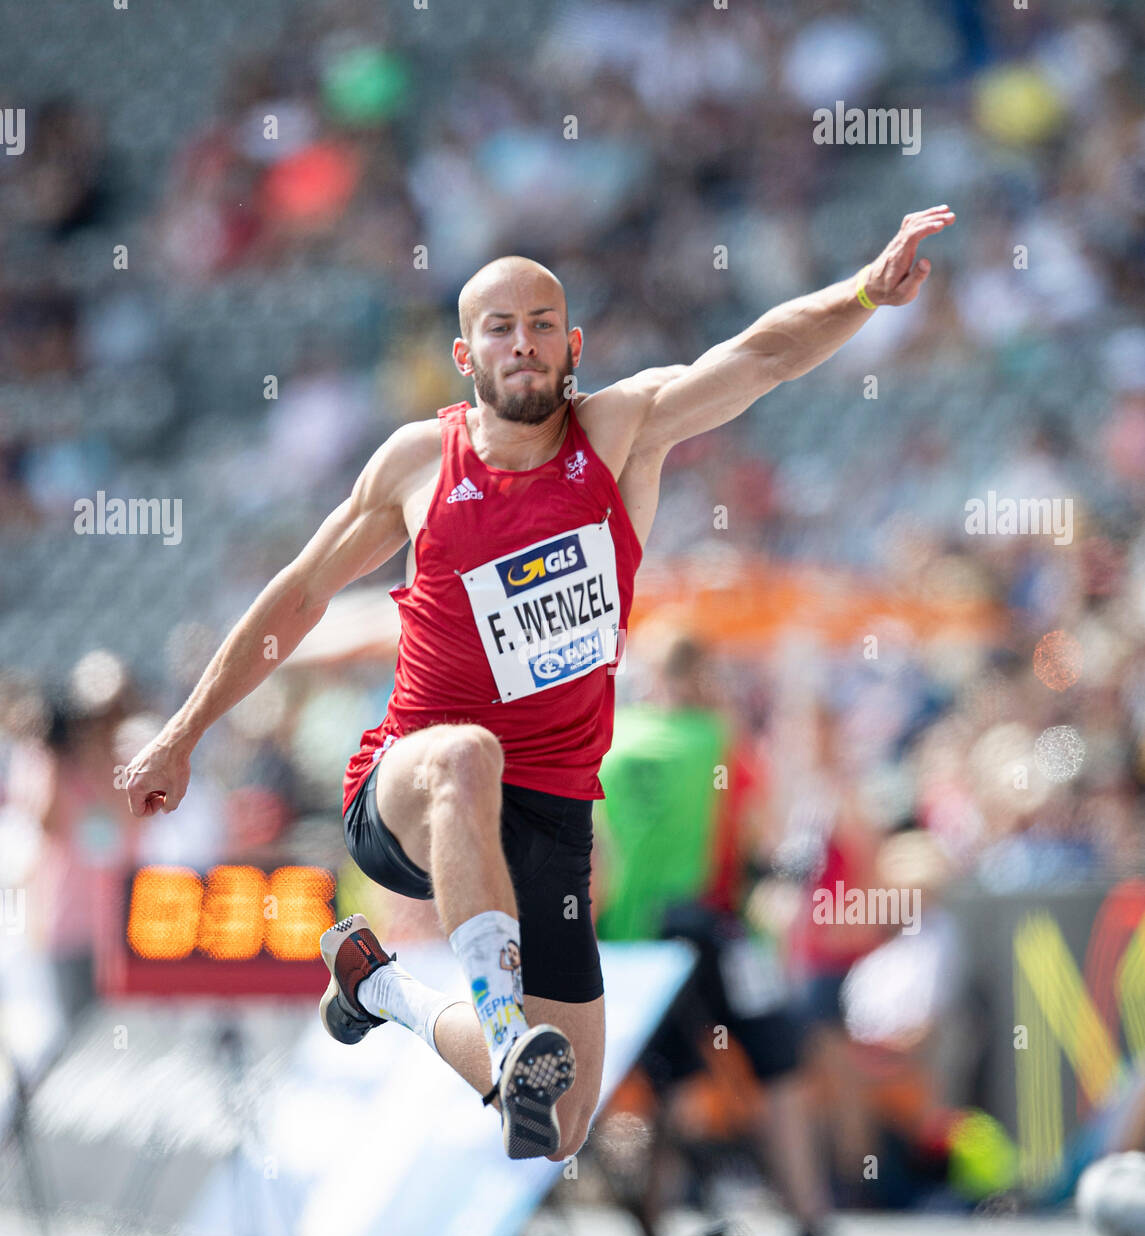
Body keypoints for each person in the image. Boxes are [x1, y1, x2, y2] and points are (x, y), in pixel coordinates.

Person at [123, 207, 955, 1160]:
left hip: (551, 814)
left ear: (573, 344)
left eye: (542, 325)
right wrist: (183, 732)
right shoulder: (414, 463)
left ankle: (377, 984)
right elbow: (300, 595)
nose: (523, 343)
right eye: (500, 327)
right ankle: (506, 1027)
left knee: (560, 1128)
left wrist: (861, 293)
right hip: (408, 789)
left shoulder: (620, 432)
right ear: (463, 353)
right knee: (465, 757)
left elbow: (760, 355)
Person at [594, 630, 873, 1236]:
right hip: (708, 929)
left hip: (630, 943)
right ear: (703, 676)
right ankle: (808, 1226)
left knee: (663, 1082)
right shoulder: (718, 742)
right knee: (779, 1067)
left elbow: (596, 862)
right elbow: (763, 836)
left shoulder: (608, 743)